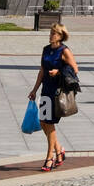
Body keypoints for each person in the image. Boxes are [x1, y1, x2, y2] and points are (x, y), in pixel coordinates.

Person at [28, 23, 78, 171]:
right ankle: (60, 150)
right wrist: (34, 89)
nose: (51, 35)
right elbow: (42, 71)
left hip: (57, 92)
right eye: (50, 33)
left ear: (61, 36)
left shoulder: (64, 51)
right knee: (43, 123)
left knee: (49, 123)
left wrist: (59, 72)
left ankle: (49, 158)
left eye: (54, 33)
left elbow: (75, 69)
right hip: (46, 90)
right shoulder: (46, 50)